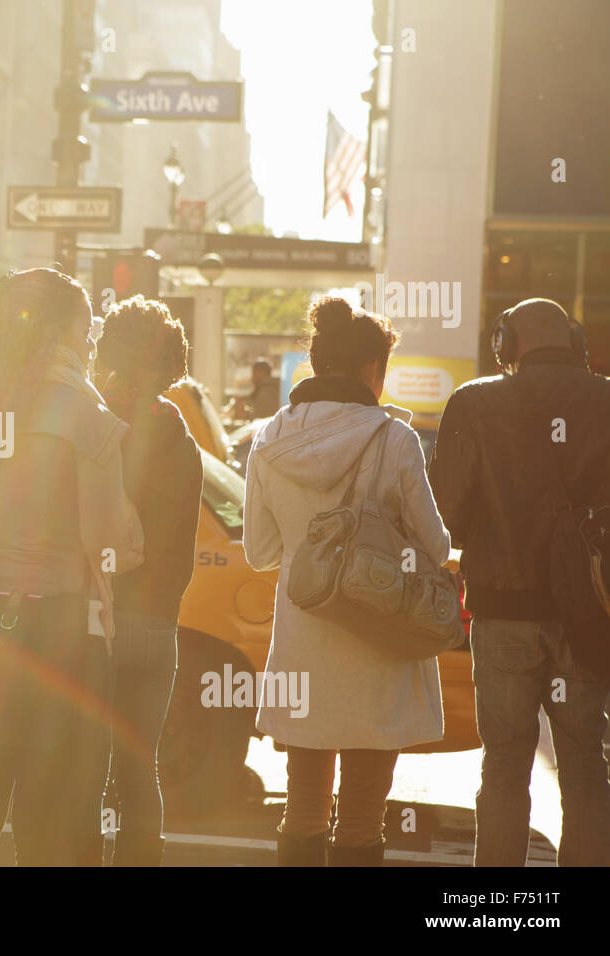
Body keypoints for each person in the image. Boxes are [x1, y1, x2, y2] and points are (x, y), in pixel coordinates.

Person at [0, 268, 144, 866]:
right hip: (57, 641)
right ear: (64, 335)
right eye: (88, 334)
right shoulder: (86, 419)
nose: (92, 347)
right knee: (51, 827)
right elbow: (106, 544)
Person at [244, 296, 450, 866]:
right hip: (379, 641)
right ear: (371, 370)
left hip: (303, 646)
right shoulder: (394, 440)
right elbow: (433, 548)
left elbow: (261, 552)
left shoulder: (267, 440)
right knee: (363, 812)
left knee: (304, 805)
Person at [428, 297, 610, 867]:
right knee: (584, 764)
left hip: (503, 612)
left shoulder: (475, 402)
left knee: (504, 765)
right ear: (574, 343)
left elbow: (446, 512)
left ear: (507, 344)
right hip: (587, 613)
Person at [94, 296, 202, 866]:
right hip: (158, 625)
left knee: (82, 765)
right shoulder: (183, 445)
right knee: (140, 771)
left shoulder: (93, 429)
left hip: (96, 617)